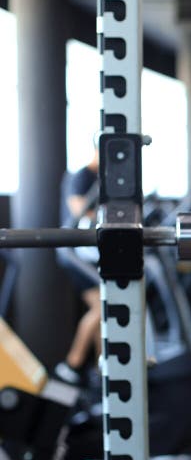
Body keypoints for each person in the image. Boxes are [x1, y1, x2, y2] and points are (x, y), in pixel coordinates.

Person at [55, 146, 102, 385]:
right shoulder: (83, 176)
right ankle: (72, 362)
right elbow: (79, 210)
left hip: (90, 255)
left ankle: (101, 366)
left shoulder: (100, 178)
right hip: (76, 255)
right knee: (102, 308)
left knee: (103, 309)